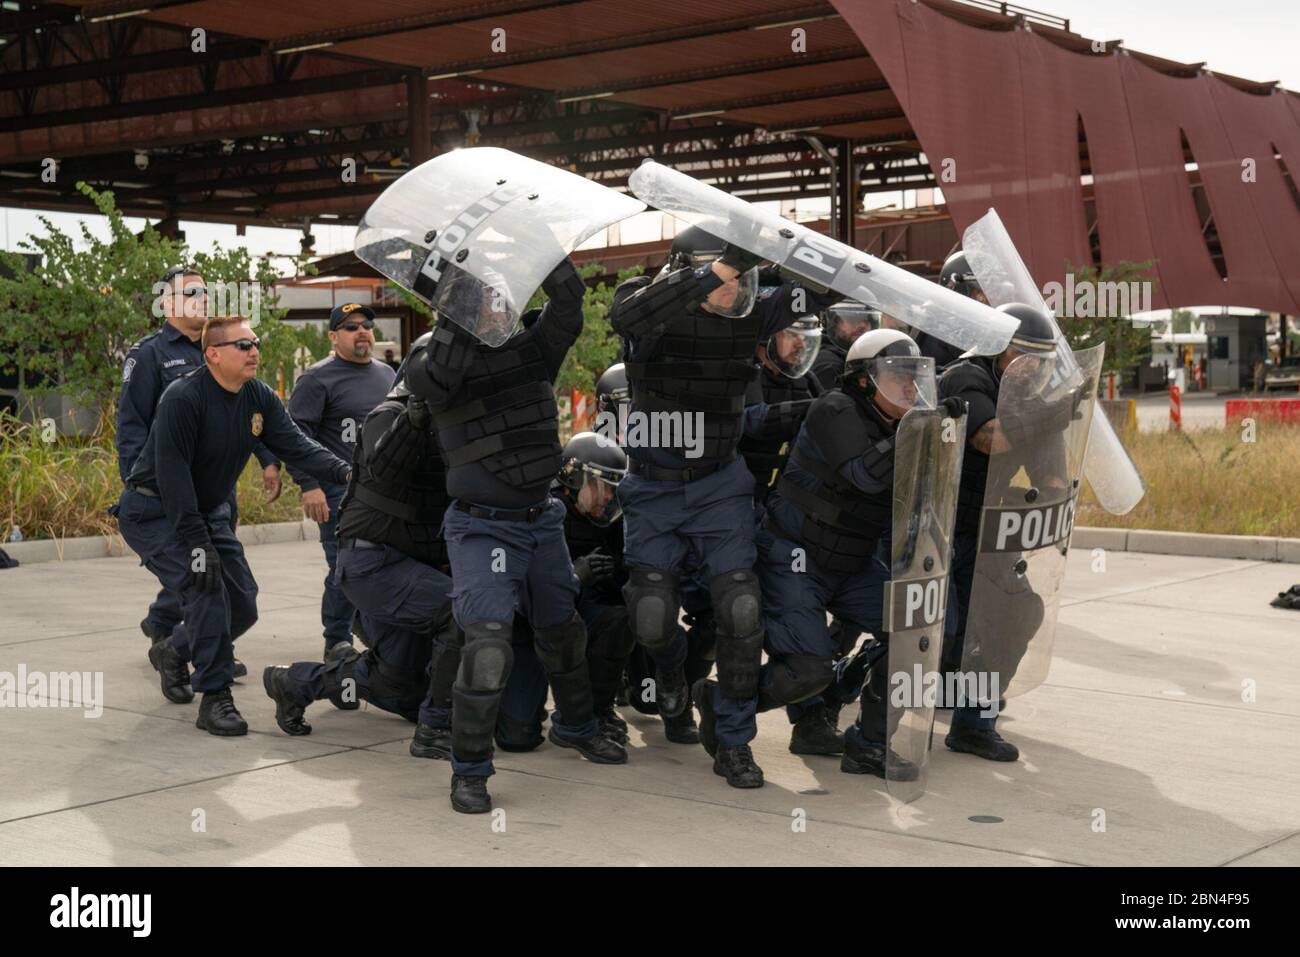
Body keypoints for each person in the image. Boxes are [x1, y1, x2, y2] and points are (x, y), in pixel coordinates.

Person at [610, 225, 841, 788]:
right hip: (654, 485)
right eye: (725, 275)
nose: (735, 288)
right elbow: (627, 320)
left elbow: (827, 286)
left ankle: (734, 742)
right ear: (692, 267)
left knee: (740, 610)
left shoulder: (754, 313)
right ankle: (669, 673)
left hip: (720, 484)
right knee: (652, 615)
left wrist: (790, 250)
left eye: (742, 277)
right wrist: (719, 268)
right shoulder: (644, 300)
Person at [404, 258, 625, 814]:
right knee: (487, 647)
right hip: (483, 526)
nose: (496, 308)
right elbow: (434, 376)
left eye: (501, 298)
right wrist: (459, 302)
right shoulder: (434, 363)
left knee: (563, 629)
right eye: (485, 299)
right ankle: (470, 771)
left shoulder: (532, 349)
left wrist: (546, 253)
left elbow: (569, 306)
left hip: (541, 518)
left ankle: (576, 725)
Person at [115, 316, 351, 735]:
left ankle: (174, 650)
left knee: (243, 603)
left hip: (205, 512)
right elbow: (172, 477)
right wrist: (195, 543)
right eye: (243, 345)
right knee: (205, 587)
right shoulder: (183, 397)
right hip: (155, 512)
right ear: (213, 354)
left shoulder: (257, 396)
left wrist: (348, 473)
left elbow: (297, 445)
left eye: (255, 343)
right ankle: (215, 697)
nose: (254, 351)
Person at [264, 333, 458, 757]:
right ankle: (435, 730)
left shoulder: (452, 428)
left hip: (415, 568)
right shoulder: (388, 418)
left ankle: (294, 683)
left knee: (398, 686)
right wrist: (416, 419)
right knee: (458, 612)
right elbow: (386, 466)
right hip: (375, 566)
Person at [117, 266, 280, 671]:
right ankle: (193, 646)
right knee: (198, 572)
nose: (203, 299)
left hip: (216, 486)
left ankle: (186, 636)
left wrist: (267, 460)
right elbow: (133, 424)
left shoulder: (221, 348)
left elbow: (247, 414)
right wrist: (140, 485)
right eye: (191, 293)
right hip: (171, 486)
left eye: (206, 293)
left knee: (216, 568)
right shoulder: (150, 354)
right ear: (167, 303)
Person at [937, 303, 1076, 762]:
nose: (1033, 366)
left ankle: (975, 723)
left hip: (987, 533)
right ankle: (854, 708)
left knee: (1016, 616)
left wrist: (1053, 497)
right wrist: (1054, 413)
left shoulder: (1033, 406)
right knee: (943, 633)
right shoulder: (965, 377)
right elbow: (989, 439)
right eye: (1023, 355)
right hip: (937, 528)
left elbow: (1050, 476)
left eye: (1042, 358)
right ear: (998, 349)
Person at [287, 302, 395, 662]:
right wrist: (309, 485)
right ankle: (337, 641)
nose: (362, 331)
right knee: (344, 567)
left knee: (382, 565)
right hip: (338, 492)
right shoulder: (316, 379)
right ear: (334, 337)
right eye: (350, 327)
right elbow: (295, 436)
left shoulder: (387, 375)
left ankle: (379, 636)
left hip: (385, 491)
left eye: (366, 325)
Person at [811, 299, 877, 390]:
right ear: (834, 322)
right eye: (853, 318)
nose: (862, 325)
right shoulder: (827, 363)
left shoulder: (861, 358)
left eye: (868, 319)